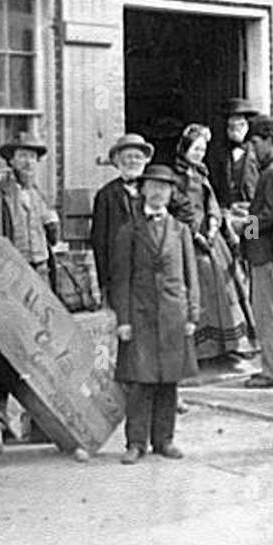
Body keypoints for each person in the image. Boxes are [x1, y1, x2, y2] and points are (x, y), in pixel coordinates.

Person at [0, 130, 62, 456]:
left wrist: (53, 228)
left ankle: (41, 423)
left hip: (40, 279)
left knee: (40, 352)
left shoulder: (38, 194)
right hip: (10, 282)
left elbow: (51, 232)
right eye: (22, 156)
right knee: (3, 353)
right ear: (11, 160)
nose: (28, 162)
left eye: (33, 157)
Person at [110, 164, 201, 464]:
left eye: (165, 187)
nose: (159, 192)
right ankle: (136, 442)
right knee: (140, 381)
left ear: (172, 193)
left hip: (174, 315)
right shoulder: (129, 230)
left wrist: (192, 314)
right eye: (153, 186)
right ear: (143, 190)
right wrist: (123, 319)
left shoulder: (181, 230)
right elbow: (120, 278)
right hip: (140, 314)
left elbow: (191, 274)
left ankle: (165, 439)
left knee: (168, 381)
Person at [173, 123, 252, 366]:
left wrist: (215, 222)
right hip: (193, 236)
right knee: (203, 282)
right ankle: (205, 349)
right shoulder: (178, 175)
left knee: (228, 283)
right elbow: (181, 208)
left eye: (203, 149)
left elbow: (215, 202)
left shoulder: (205, 172)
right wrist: (198, 233)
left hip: (225, 231)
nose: (200, 153)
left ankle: (231, 346)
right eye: (196, 149)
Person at [242, 115, 273, 388]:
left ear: (267, 140)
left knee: (268, 313)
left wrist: (244, 226)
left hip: (267, 253)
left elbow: (271, 214)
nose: (253, 149)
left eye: (256, 142)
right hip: (270, 251)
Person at [90, 132, 153, 303]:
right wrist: (104, 282)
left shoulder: (154, 191)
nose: (133, 161)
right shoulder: (106, 195)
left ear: (145, 161)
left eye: (138, 157)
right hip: (120, 273)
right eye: (128, 157)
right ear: (118, 161)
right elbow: (99, 241)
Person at [212, 97, 261, 210]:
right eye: (232, 127)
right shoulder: (219, 153)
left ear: (247, 127)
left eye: (240, 125)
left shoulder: (257, 151)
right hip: (227, 210)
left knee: (251, 228)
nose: (236, 130)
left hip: (251, 211)